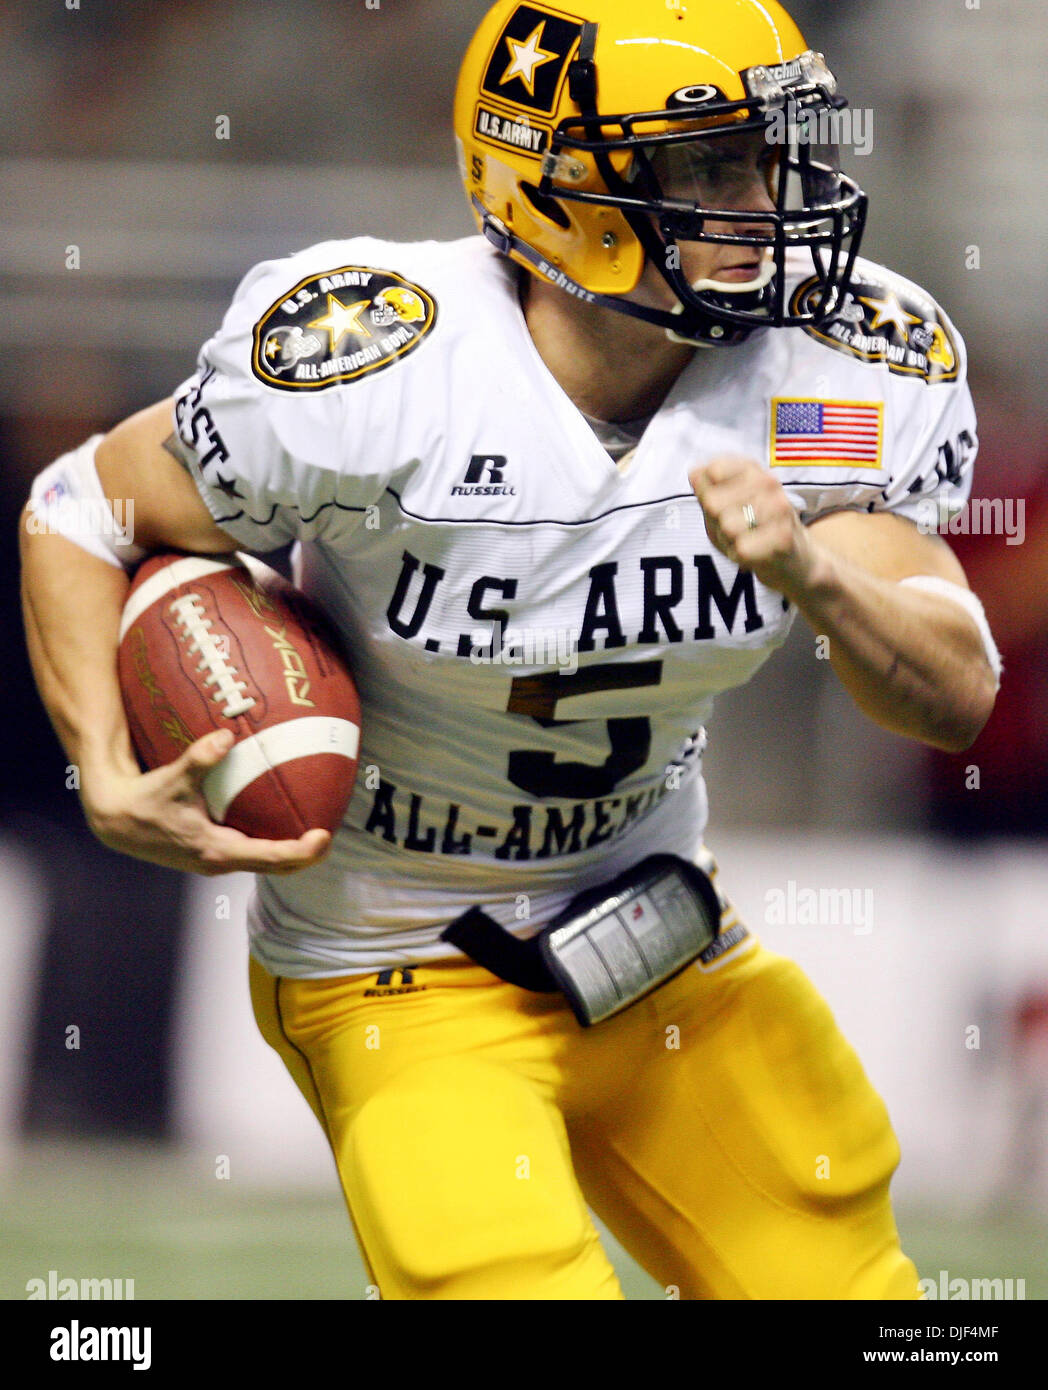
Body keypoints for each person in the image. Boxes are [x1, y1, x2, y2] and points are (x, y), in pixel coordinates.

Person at [20, 0, 1001, 1300]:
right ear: (567, 195)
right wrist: (101, 758)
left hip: (658, 943)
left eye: (775, 153)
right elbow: (81, 506)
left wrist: (813, 573)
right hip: (396, 956)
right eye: (710, 161)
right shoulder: (384, 374)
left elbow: (955, 691)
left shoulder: (828, 385)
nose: (769, 199)